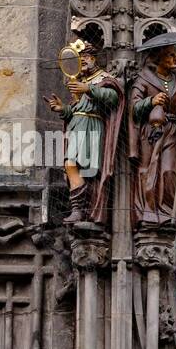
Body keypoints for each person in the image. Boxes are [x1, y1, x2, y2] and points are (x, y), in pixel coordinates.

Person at [47, 38, 125, 226]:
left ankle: (83, 209)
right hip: (77, 126)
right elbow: (77, 109)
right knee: (71, 166)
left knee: (84, 168)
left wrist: (89, 89)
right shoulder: (81, 82)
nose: (82, 64)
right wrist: (62, 109)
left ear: (93, 59)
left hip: (91, 127)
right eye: (79, 61)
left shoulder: (103, 79)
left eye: (85, 59)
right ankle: (78, 209)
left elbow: (113, 98)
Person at [130, 31, 176, 226]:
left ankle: (168, 210)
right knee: (149, 169)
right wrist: (151, 101)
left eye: (175, 54)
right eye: (170, 55)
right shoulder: (144, 79)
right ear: (158, 58)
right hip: (151, 132)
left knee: (168, 171)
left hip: (172, 132)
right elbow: (134, 107)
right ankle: (148, 211)